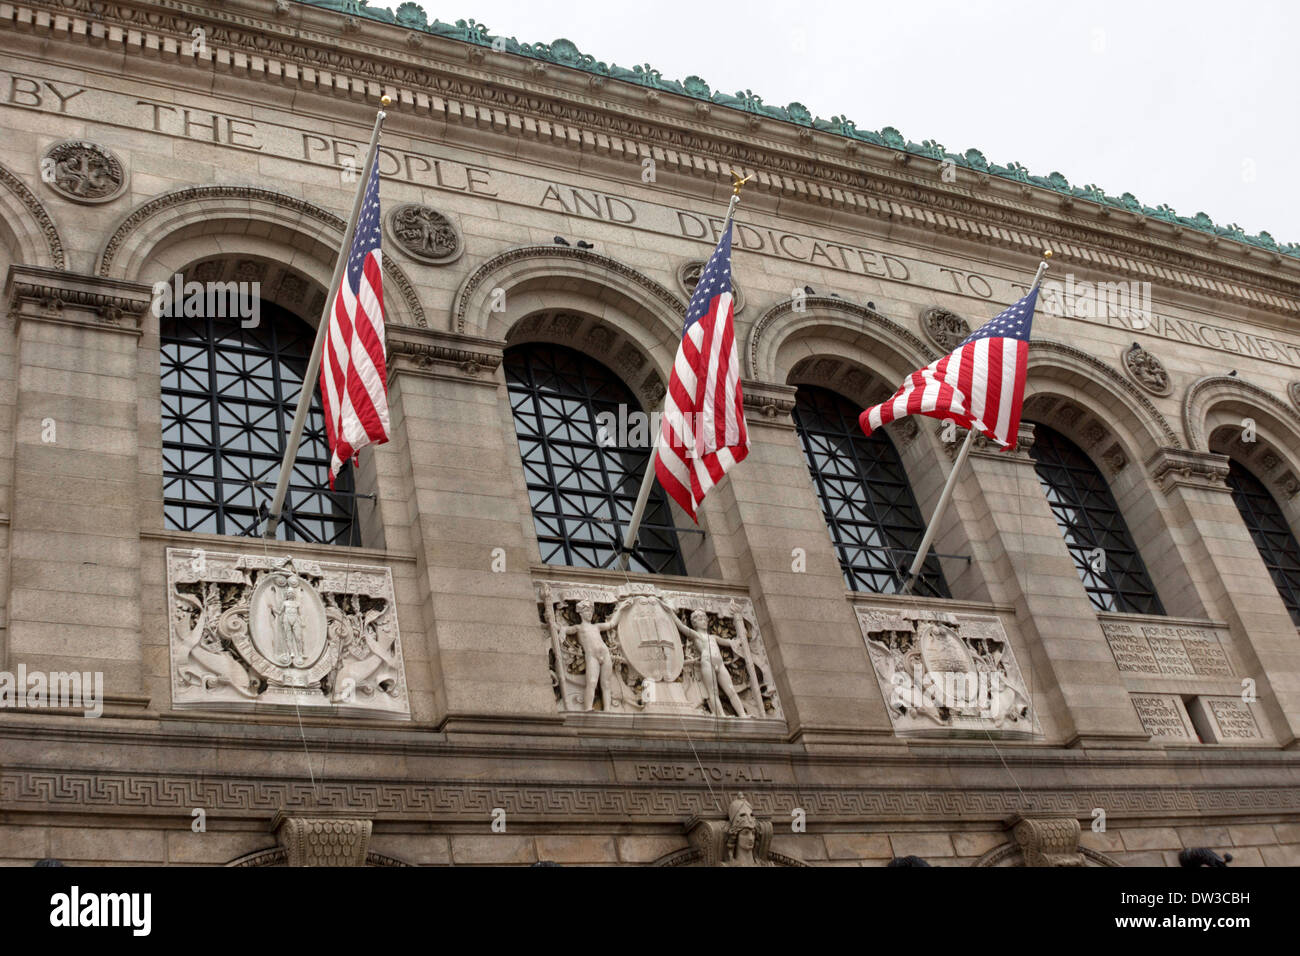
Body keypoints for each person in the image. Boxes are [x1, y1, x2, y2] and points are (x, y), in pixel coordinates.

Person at [659, 601, 750, 718]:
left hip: (719, 663)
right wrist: (670, 611)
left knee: (731, 690)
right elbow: (681, 626)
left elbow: (731, 643)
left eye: (705, 619)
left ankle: (742, 714)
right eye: (700, 619)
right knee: (713, 691)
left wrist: (741, 634)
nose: (704, 621)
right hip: (707, 661)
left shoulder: (713, 637)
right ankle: (721, 715)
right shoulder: (696, 635)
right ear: (695, 623)